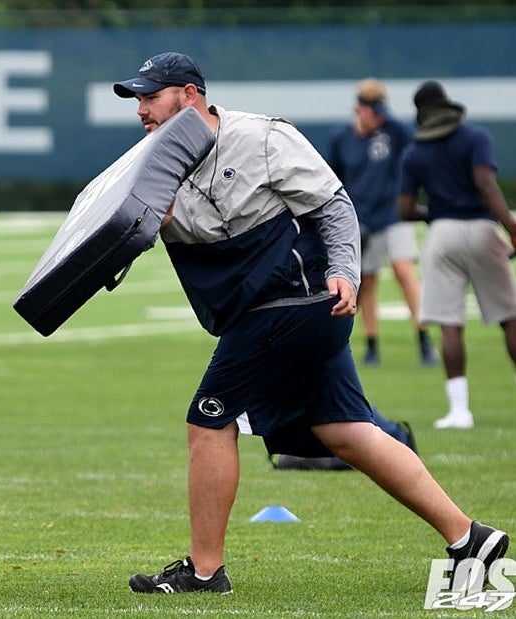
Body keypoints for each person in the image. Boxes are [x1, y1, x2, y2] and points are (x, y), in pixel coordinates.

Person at [111, 52, 508, 594]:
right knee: (346, 431)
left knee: (208, 420)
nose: (141, 110)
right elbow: (123, 238)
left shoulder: (263, 136)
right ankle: (469, 538)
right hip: (265, 311)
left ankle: (205, 571)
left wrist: (346, 269)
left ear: (188, 93)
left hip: (294, 302)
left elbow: (334, 205)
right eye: (136, 100)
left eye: (149, 97)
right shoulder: (152, 165)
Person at [399, 81, 516, 430]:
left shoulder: (414, 153)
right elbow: (485, 183)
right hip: (482, 229)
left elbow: (404, 208)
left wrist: (434, 213)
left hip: (441, 235)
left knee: (450, 325)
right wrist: (510, 224)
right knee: (509, 318)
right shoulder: (475, 137)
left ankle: (459, 411)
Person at [327, 78, 437, 367]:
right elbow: (334, 180)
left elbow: (417, 156)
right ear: (358, 110)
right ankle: (372, 345)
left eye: (380, 112)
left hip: (394, 214)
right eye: (371, 112)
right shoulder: (342, 139)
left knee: (404, 270)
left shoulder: (395, 130)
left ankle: (424, 340)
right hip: (361, 219)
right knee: (368, 280)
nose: (377, 119)